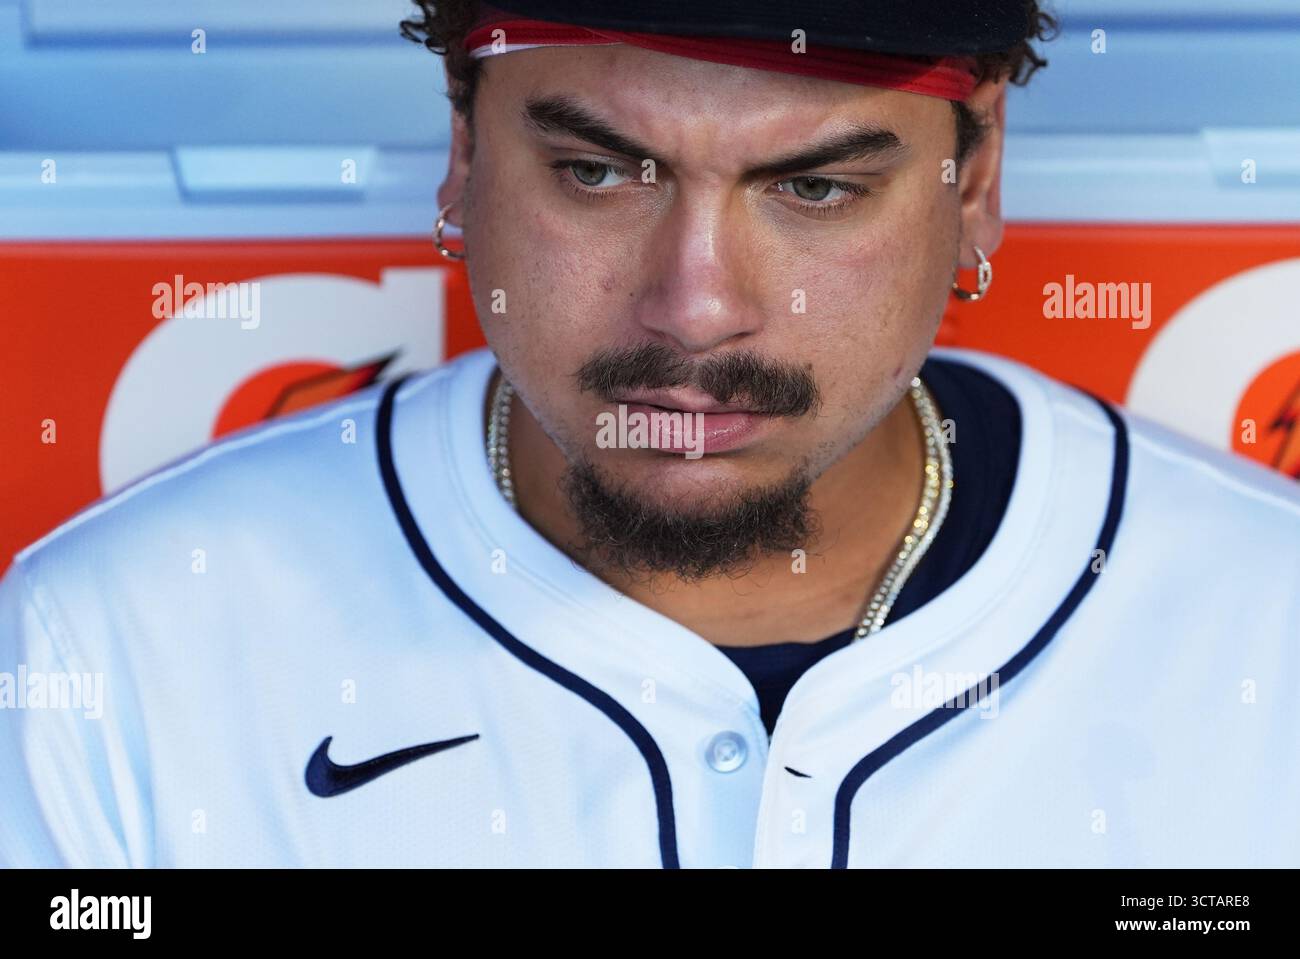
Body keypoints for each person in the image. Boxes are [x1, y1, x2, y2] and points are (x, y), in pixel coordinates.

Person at [1, 0, 1297, 868]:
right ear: (461, 153)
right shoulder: (120, 646)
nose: (696, 310)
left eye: (815, 189)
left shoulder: (1265, 621)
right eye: (599, 173)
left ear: (977, 183)